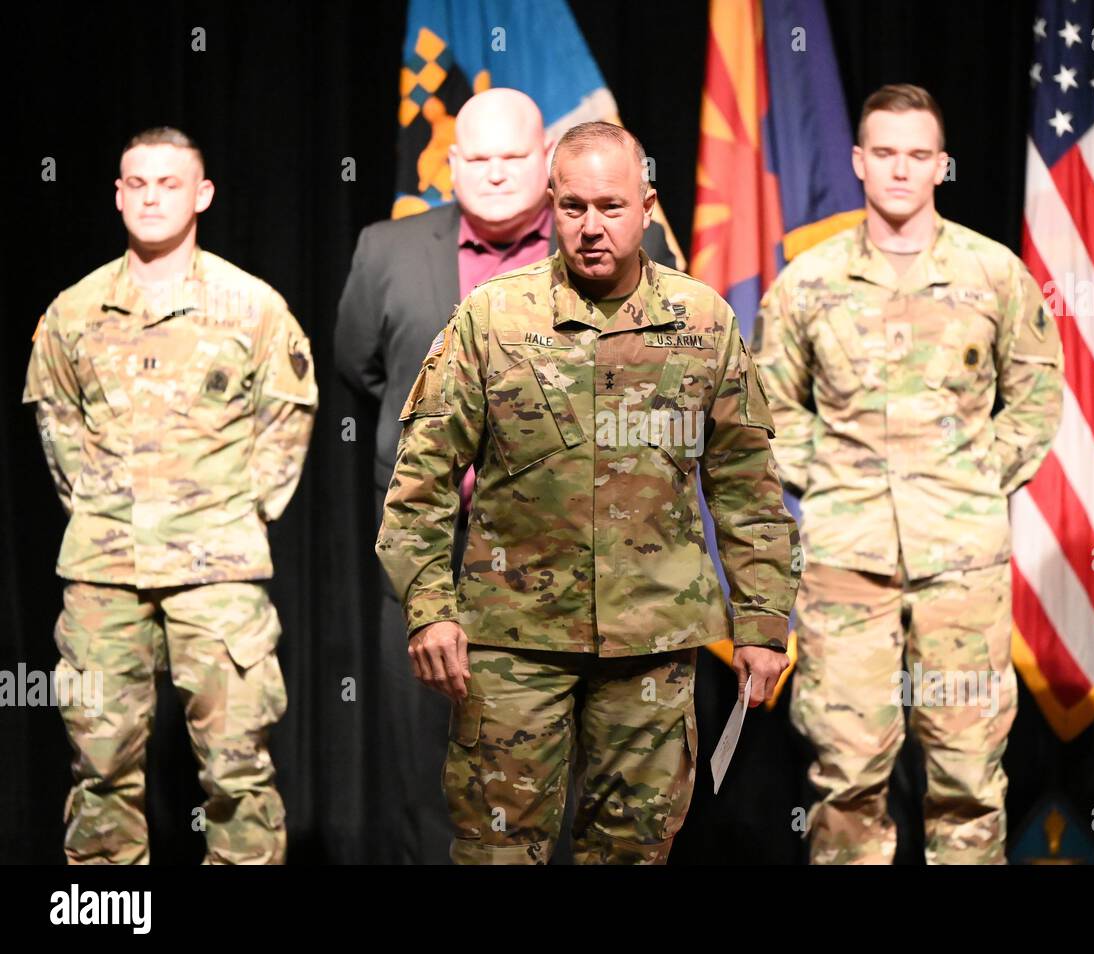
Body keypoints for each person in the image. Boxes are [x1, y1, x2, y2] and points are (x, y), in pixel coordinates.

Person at [376, 120, 800, 864]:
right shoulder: (494, 318)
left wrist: (762, 618)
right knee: (497, 851)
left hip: (654, 642)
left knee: (633, 852)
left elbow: (747, 486)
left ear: (647, 207)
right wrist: (428, 609)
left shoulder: (702, 324)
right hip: (513, 642)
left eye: (611, 206)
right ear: (552, 206)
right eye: (573, 207)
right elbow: (420, 483)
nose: (592, 227)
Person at [335, 88, 677, 862]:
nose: (494, 174)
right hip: (436, 548)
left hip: (573, 550)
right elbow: (359, 370)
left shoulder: (610, 250)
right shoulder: (384, 252)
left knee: (585, 755)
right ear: (450, 164)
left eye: (514, 158)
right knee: (430, 748)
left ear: (549, 167)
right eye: (477, 159)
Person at [754, 84, 1064, 864]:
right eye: (884, 154)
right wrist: (829, 476)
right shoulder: (807, 282)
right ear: (858, 162)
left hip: (961, 563)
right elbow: (769, 408)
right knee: (846, 780)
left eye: (917, 155)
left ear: (941, 165)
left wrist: (969, 478)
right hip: (844, 564)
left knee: (967, 777)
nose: (900, 171)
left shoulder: (994, 276)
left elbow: (1036, 397)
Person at [23, 126, 317, 864]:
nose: (152, 198)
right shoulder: (73, 313)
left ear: (202, 194)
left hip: (218, 574)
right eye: (138, 184)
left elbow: (285, 422)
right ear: (119, 194)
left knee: (238, 771)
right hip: (102, 572)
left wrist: (233, 518)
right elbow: (59, 431)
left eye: (169, 184)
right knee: (99, 772)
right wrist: (105, 512)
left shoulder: (252, 307)